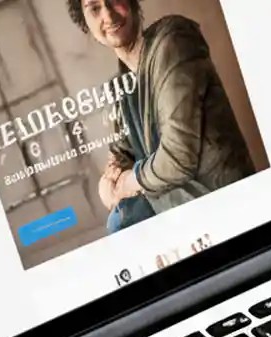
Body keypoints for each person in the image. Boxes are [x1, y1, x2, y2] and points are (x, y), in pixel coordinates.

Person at [68, 0, 257, 233]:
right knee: (121, 220)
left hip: (226, 206)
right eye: (94, 8)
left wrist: (127, 183)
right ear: (85, 22)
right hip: (184, 216)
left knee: (122, 221)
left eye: (114, 0)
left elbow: (178, 157)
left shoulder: (173, 41)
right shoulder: (121, 86)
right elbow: (120, 153)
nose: (107, 14)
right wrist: (108, 182)